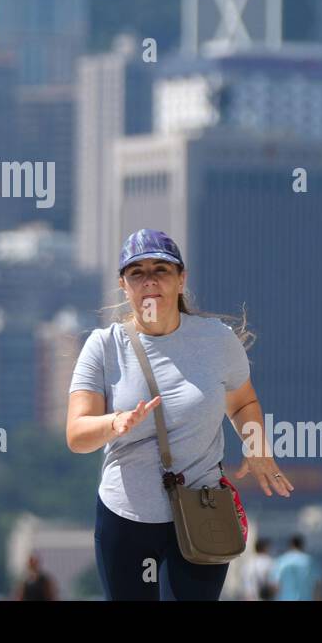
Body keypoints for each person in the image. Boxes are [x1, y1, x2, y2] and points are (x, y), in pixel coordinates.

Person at [67, 228, 294, 601]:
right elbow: (76, 434)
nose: (150, 280)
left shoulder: (216, 340)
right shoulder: (104, 346)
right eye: (137, 272)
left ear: (181, 279)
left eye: (161, 269)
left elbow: (242, 403)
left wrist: (257, 448)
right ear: (124, 284)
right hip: (126, 516)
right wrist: (114, 423)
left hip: (202, 510)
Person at [272, 535, 322, 601]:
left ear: (291, 545)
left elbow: (275, 585)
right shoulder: (310, 561)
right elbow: (318, 585)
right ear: (302, 545)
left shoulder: (282, 561)